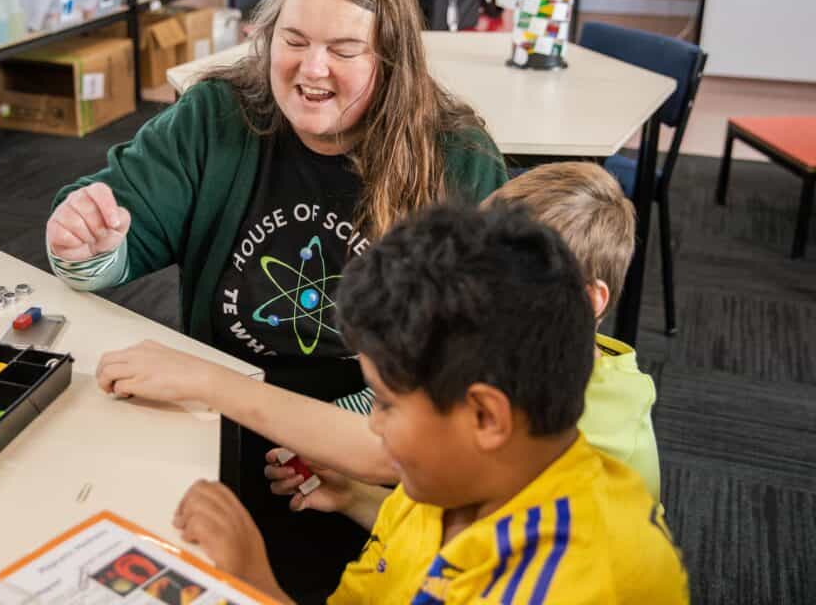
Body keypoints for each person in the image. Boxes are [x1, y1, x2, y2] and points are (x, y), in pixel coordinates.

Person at [48, 0, 506, 598]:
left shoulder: (457, 161)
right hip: (208, 431)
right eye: (293, 40)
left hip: (359, 465)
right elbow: (121, 228)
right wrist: (86, 244)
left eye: (344, 51)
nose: (311, 69)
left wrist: (333, 428)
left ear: (392, 60)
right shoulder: (217, 115)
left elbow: (460, 384)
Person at [170, 204, 689, 604]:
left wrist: (252, 580)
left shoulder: (560, 583)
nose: (373, 423)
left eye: (388, 404)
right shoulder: (479, 471)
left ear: (485, 417)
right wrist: (356, 496)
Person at [96, 162, 661, 501]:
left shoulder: (590, 429)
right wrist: (363, 504)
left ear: (588, 302)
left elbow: (386, 452)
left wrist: (208, 381)